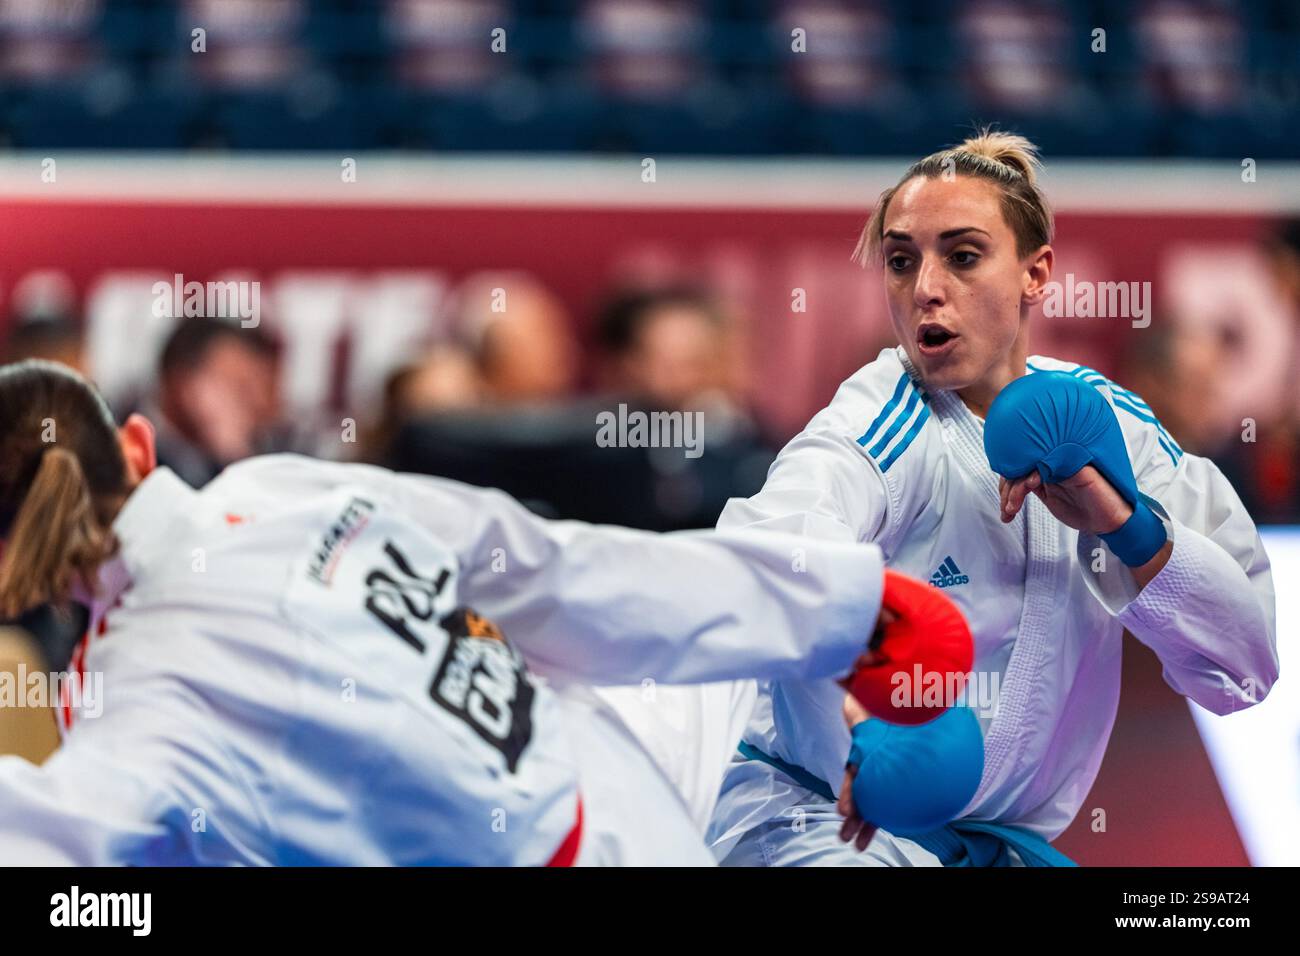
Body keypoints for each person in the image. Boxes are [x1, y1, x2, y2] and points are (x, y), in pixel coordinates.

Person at [0, 358, 950, 865]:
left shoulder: (139, 706)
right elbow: (560, 577)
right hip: (629, 799)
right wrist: (842, 609)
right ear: (134, 443)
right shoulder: (285, 488)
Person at [704, 130, 1278, 867]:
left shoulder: (1115, 430)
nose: (925, 289)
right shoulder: (875, 424)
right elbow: (765, 564)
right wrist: (861, 711)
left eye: (963, 255)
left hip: (1000, 850)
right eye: (902, 261)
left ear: (1036, 274)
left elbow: (1244, 670)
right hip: (812, 820)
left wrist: (1126, 529)